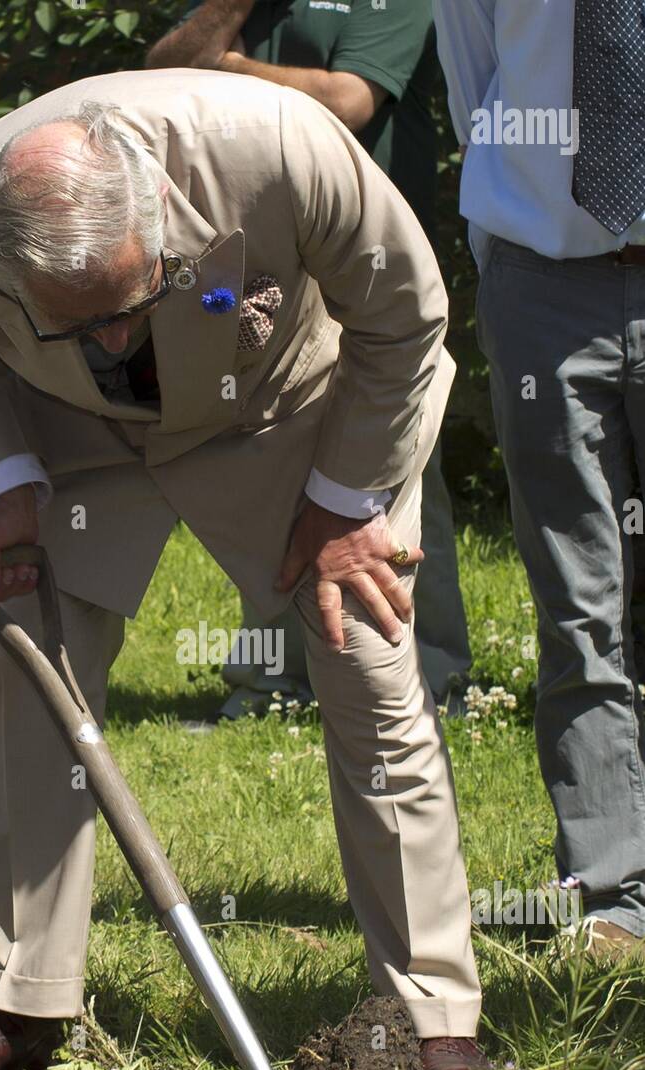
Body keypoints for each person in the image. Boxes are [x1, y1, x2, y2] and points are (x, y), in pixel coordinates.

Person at [0, 68, 491, 1070]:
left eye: (126, 306)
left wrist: (345, 503)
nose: (117, 339)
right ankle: (20, 997)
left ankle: (428, 1016)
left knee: (365, 653)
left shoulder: (281, 151)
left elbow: (402, 316)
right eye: (80, 320)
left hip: (282, 401)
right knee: (36, 667)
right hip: (74, 426)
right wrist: (4, 483)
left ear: (160, 216)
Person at [147, 0, 471, 714]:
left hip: (370, 266)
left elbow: (348, 100)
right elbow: (160, 75)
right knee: (261, 458)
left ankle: (432, 672)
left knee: (403, 463)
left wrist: (227, 68)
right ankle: (273, 679)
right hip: (260, 265)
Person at [434, 0, 645, 957]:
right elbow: (474, 85)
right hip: (545, 285)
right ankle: (614, 896)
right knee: (579, 599)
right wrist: (506, 256)